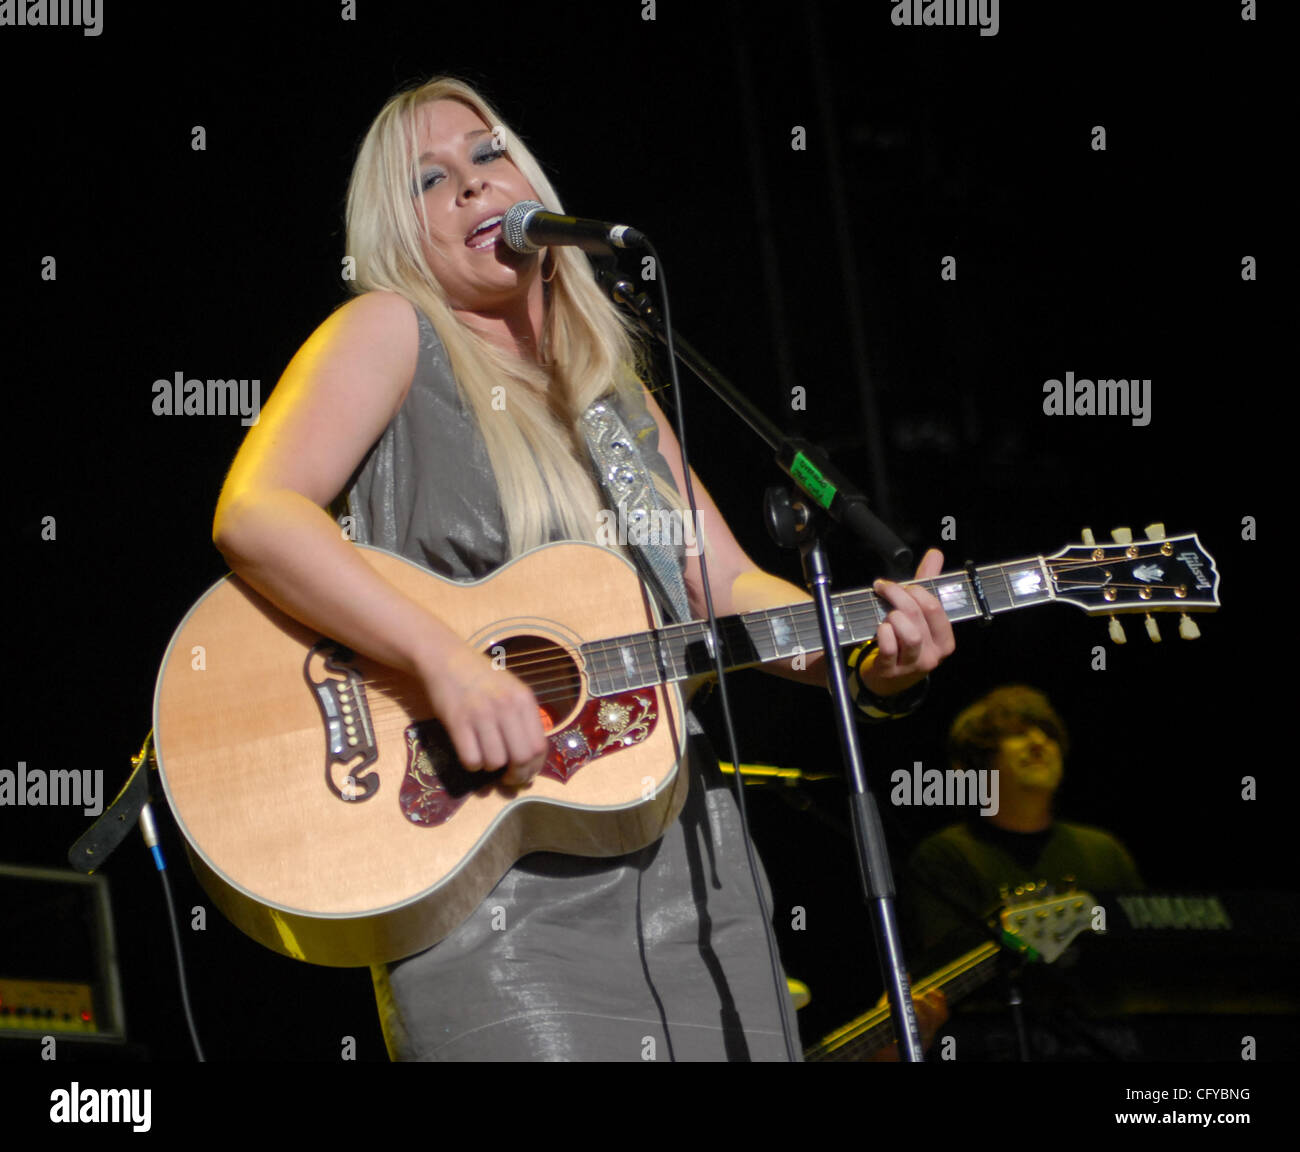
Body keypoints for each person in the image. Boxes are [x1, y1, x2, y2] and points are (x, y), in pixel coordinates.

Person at [212, 75, 955, 1061]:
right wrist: (447, 660)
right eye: (430, 180)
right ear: (397, 231)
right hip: (488, 869)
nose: (475, 187)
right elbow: (256, 513)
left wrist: (866, 656)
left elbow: (720, 587)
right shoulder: (390, 333)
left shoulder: (618, 401)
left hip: (694, 867)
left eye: (488, 154)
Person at [902, 684, 1143, 1057]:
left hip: (1106, 1041)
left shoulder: (1103, 850)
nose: (1038, 743)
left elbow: (1143, 957)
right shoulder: (946, 855)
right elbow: (945, 973)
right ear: (979, 762)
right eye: (1016, 733)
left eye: (1047, 733)